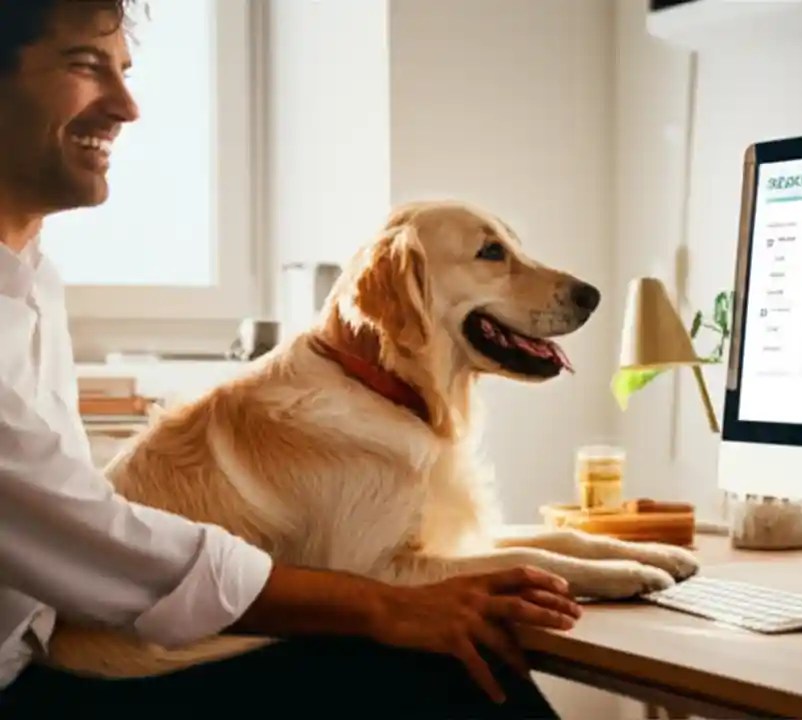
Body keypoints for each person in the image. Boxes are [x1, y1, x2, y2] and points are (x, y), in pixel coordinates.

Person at [0, 1, 580, 715]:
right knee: (450, 678)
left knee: (446, 661)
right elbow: (90, 538)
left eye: (124, 72)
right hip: (28, 692)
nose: (127, 105)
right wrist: (381, 608)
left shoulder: (31, 278)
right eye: (86, 67)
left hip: (50, 659)